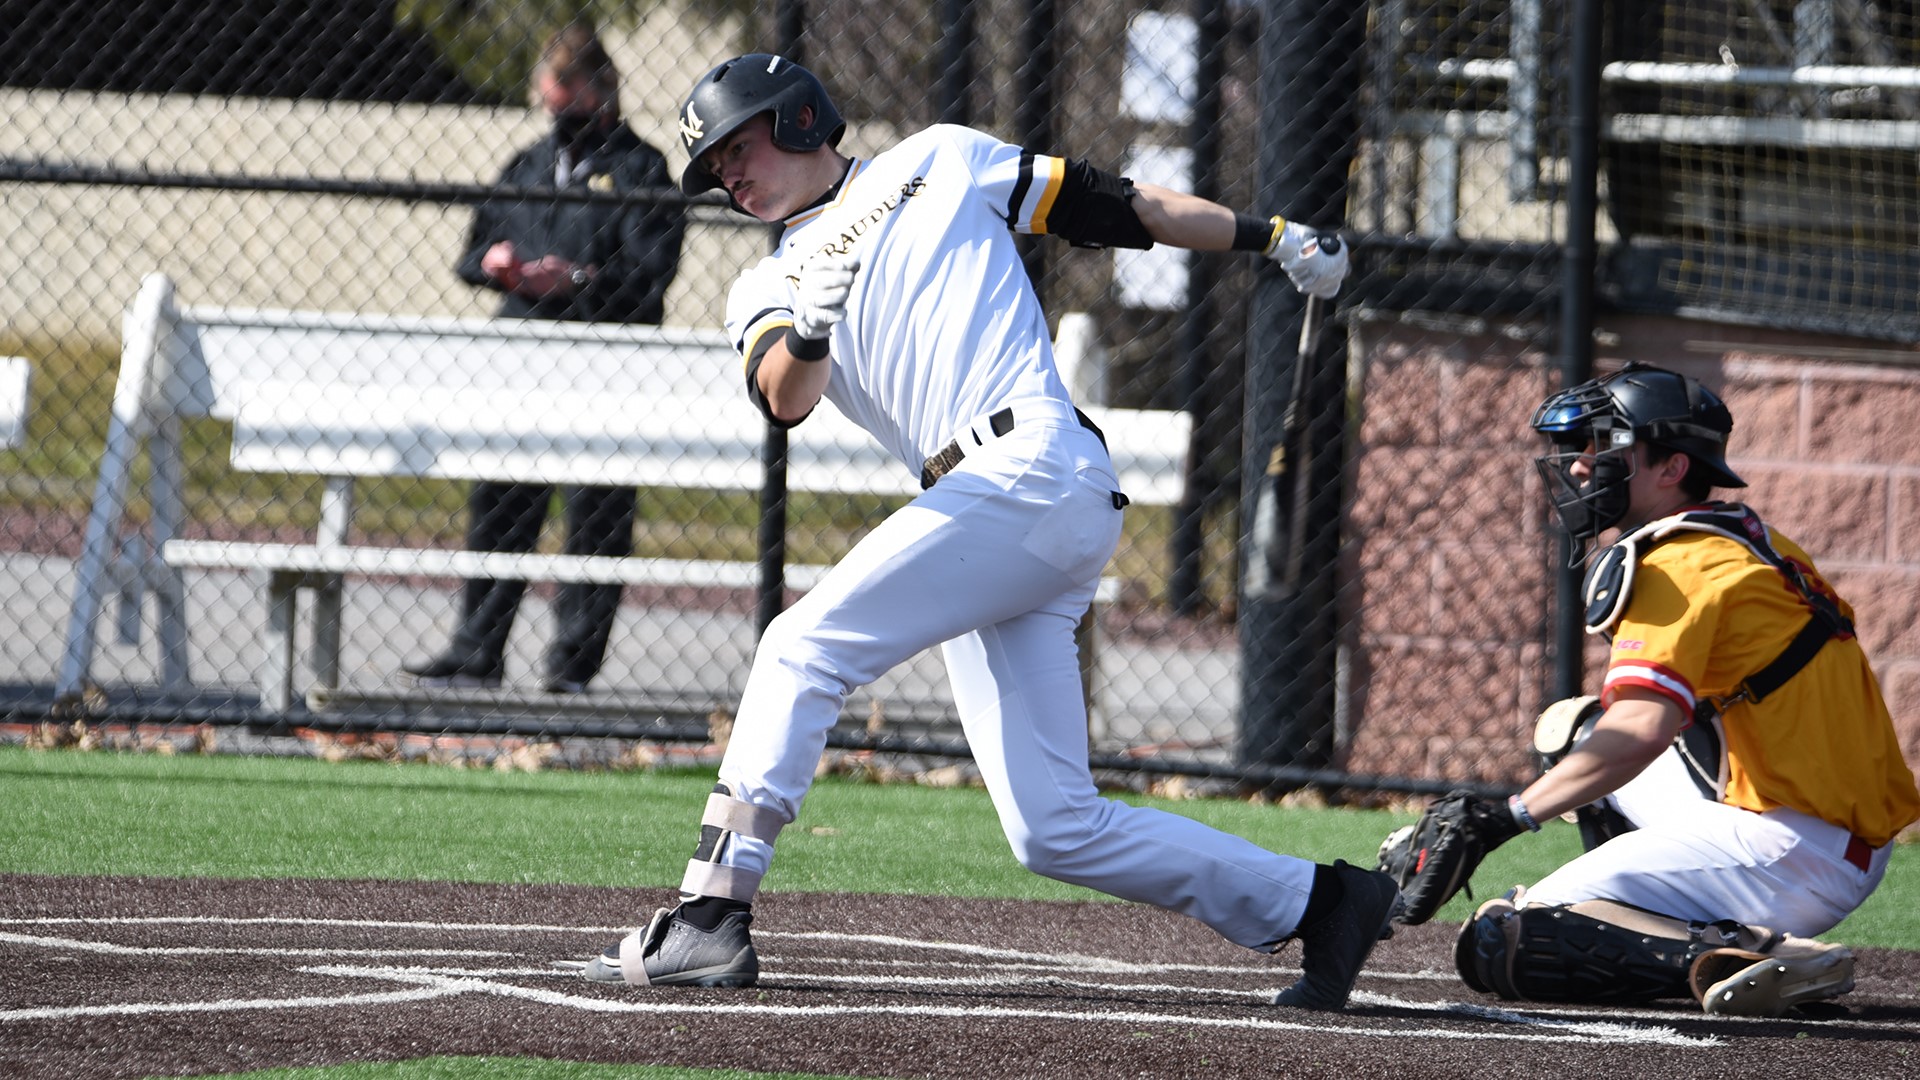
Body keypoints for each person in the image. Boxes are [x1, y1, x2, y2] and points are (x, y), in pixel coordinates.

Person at [559, 53, 1397, 1011]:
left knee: (799, 647)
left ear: (798, 120)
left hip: (1031, 462)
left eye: (735, 148)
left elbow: (1117, 207)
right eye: (714, 168)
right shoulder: (765, 287)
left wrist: (1276, 237)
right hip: (995, 508)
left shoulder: (939, 160)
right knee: (1054, 829)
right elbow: (784, 400)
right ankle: (1325, 903)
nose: (727, 176)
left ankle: (709, 916)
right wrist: (814, 329)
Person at [1412, 362, 1919, 1017]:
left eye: (1606, 446)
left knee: (1512, 937)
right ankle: (1662, 908)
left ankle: (1768, 952)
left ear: (1672, 467)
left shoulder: (1676, 563)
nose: (1580, 466)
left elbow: (1644, 730)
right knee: (1576, 732)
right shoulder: (1738, 537)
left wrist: (1503, 818)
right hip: (1823, 827)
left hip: (1794, 848)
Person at [402, 23, 685, 694]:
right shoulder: (529, 165)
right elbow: (474, 252)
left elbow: (652, 274)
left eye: (567, 96)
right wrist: (498, 267)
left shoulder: (642, 170)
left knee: (596, 513)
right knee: (501, 503)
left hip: (606, 368)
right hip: (522, 362)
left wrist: (580, 282)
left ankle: (571, 664)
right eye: (548, 99)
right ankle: (476, 649)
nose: (556, 113)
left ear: (598, 89)